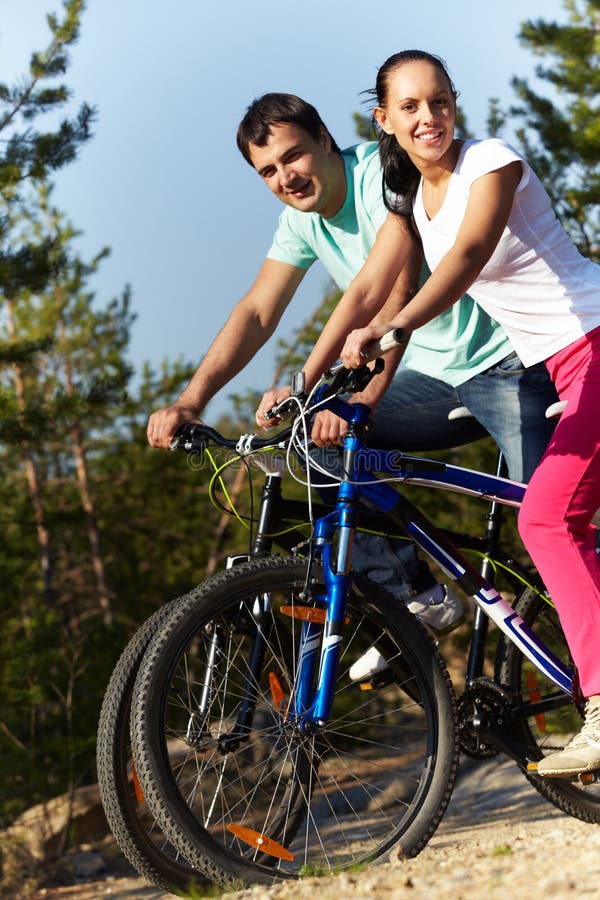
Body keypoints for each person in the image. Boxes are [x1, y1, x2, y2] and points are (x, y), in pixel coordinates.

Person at [146, 92, 556, 631]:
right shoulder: (299, 223)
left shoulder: (384, 175)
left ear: (323, 139)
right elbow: (257, 311)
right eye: (267, 171)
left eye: (292, 156)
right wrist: (191, 400)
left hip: (511, 364)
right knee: (315, 444)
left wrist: (356, 396)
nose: (285, 177)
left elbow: (389, 291)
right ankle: (413, 594)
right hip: (435, 380)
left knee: (554, 537)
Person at [299, 49, 600, 777]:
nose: (428, 118)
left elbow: (466, 256)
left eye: (439, 102)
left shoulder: (490, 162)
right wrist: (307, 382)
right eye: (410, 108)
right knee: (563, 522)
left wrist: (396, 328)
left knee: (547, 519)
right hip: (563, 364)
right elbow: (369, 286)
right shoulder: (409, 195)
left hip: (592, 344)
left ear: (455, 104)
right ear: (384, 120)